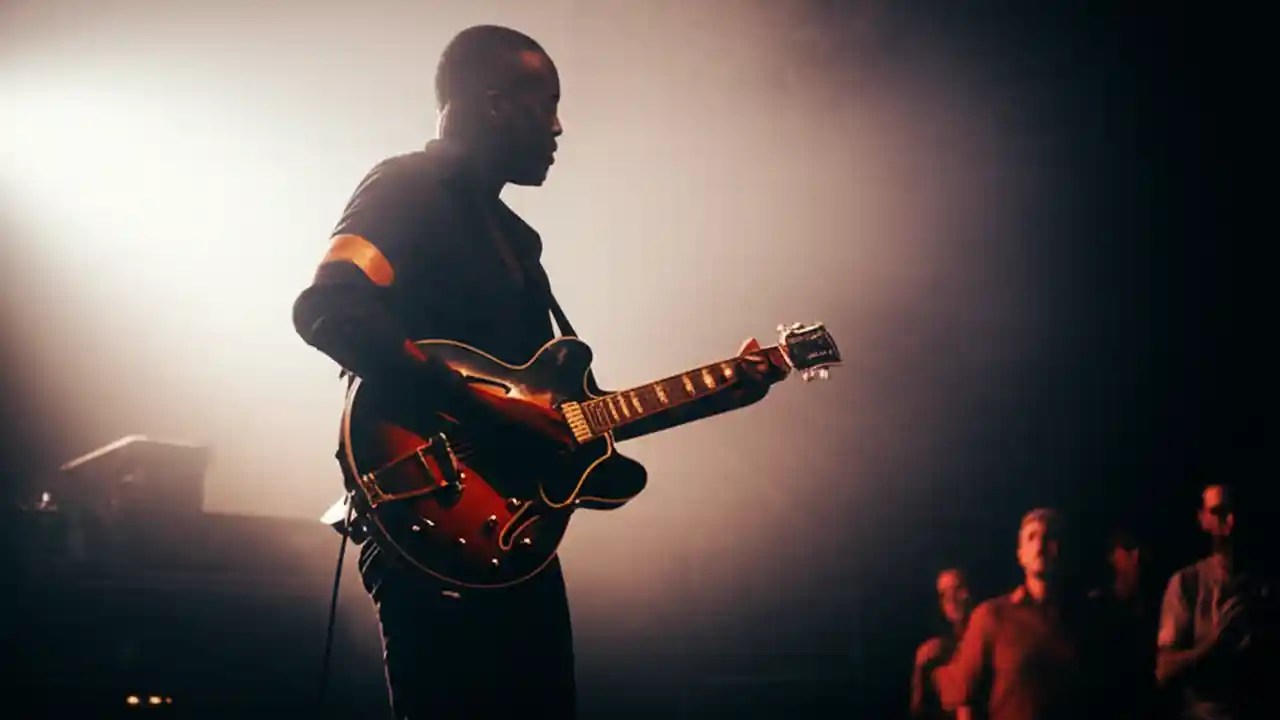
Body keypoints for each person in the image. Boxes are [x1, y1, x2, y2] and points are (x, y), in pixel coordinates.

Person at [292, 25, 774, 719]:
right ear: (491, 103)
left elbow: (561, 415)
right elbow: (329, 307)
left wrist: (718, 393)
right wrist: (484, 411)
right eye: (544, 103)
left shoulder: (517, 242)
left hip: (518, 540)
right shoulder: (407, 187)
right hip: (429, 509)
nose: (558, 126)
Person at [932, 508, 1100, 720]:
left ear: (1064, 549)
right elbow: (961, 692)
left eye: (1049, 537)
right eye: (1031, 537)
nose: (1040, 546)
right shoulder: (993, 616)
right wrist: (934, 669)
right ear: (1020, 554)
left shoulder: (1087, 618)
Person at [1156, 483, 1276, 719]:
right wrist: (1212, 644)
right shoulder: (1187, 583)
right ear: (1202, 520)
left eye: (1233, 512)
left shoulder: (1264, 586)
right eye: (1218, 512)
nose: (1230, 522)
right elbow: (1164, 669)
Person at [1089, 527, 1158, 718]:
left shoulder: (1156, 608)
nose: (1136, 556)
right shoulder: (1096, 607)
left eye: (1137, 550)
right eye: (1127, 549)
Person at [911, 568, 974, 720]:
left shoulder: (990, 636)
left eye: (957, 589)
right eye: (943, 594)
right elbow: (918, 709)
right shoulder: (933, 653)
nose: (950, 599)